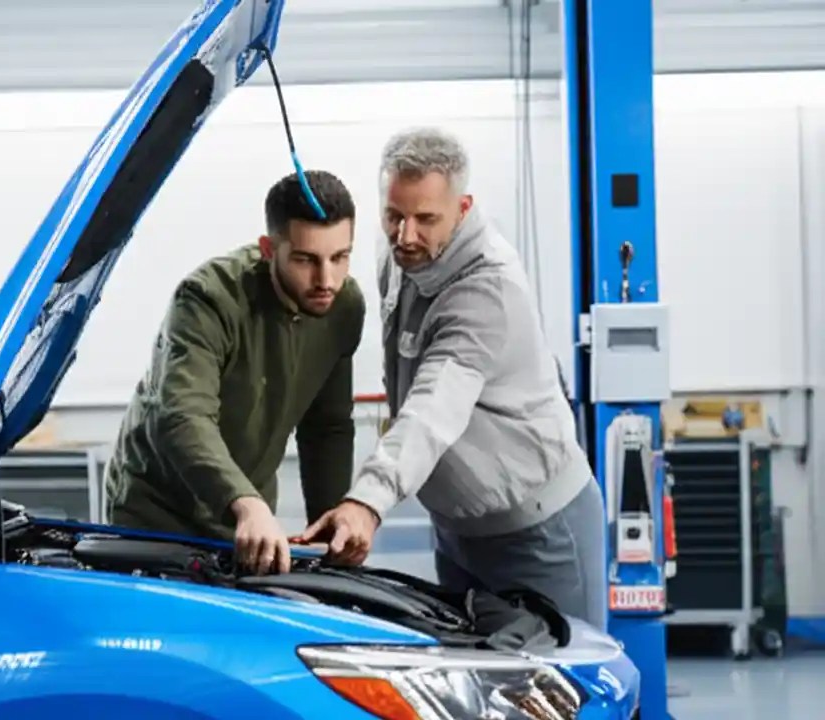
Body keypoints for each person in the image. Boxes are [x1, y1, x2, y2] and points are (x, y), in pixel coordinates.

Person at [295, 128, 608, 628]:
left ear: (463, 209)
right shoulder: (399, 252)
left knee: (564, 697)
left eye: (426, 219)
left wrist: (366, 503)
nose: (405, 236)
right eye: (394, 215)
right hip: (458, 532)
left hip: (540, 534)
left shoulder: (487, 289)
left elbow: (432, 411)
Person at [104, 169, 365, 576]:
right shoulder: (207, 299)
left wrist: (329, 531)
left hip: (247, 520)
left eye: (340, 257)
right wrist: (245, 501)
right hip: (155, 515)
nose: (326, 280)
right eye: (305, 260)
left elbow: (327, 427)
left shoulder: (345, 307)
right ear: (268, 248)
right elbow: (183, 417)